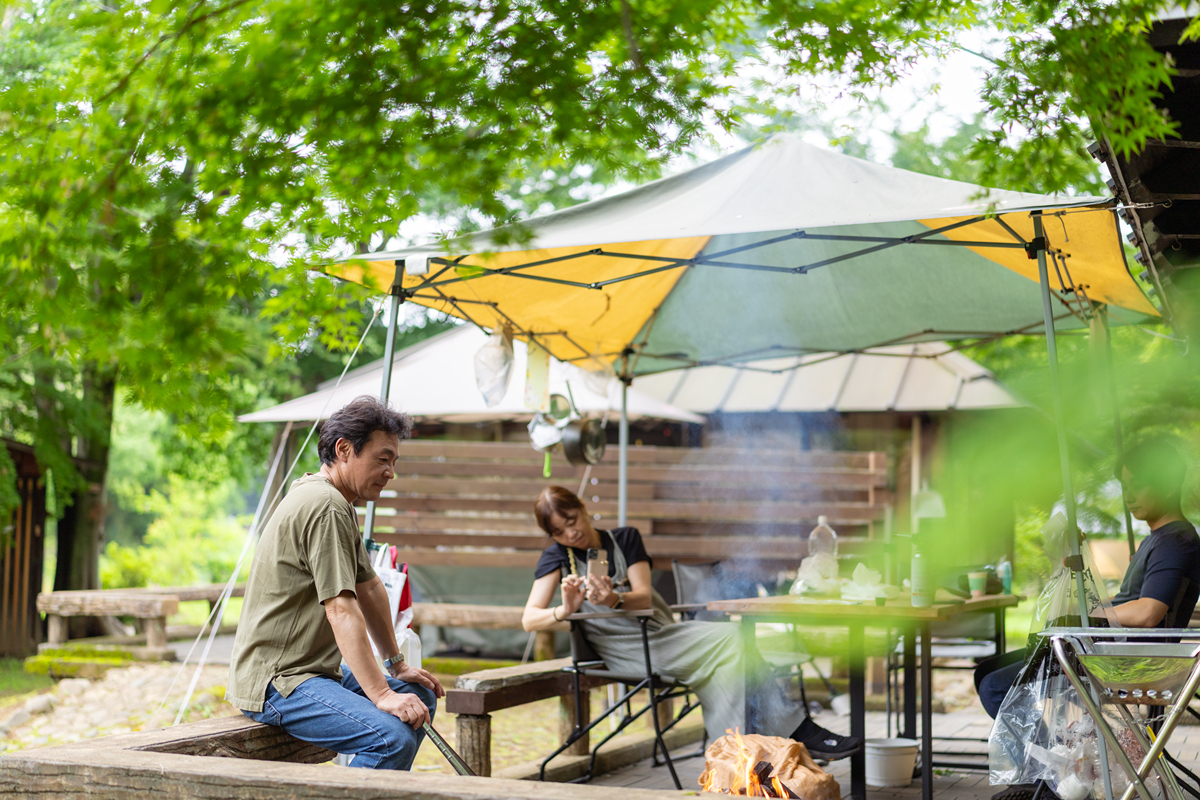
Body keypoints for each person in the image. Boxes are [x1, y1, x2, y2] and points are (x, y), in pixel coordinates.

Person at [521, 485, 861, 760]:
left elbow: (641, 595)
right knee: (734, 640)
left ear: (582, 506)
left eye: (571, 519)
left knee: (728, 658)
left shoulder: (624, 539)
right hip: (627, 650)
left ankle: (736, 760)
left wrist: (612, 598)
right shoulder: (556, 558)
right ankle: (796, 733)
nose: (571, 532)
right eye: (559, 531)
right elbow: (529, 619)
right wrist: (565, 610)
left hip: (661, 633)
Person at [226, 396, 445, 769]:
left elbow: (370, 587)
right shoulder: (325, 505)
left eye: (394, 461)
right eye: (382, 458)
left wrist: (396, 666)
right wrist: (379, 694)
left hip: (314, 672)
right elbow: (341, 609)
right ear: (344, 450)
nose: (391, 471)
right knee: (390, 741)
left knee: (417, 692)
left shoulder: (335, 502)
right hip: (279, 683)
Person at [977, 437, 1200, 799]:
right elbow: (1127, 603)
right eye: (1125, 485)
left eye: (1139, 484)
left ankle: (1061, 779)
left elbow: (1147, 612)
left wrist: (1088, 613)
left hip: (1122, 661)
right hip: (1105, 650)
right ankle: (1065, 770)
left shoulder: (1176, 541)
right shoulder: (1159, 538)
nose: (1129, 494)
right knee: (988, 671)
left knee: (996, 686)